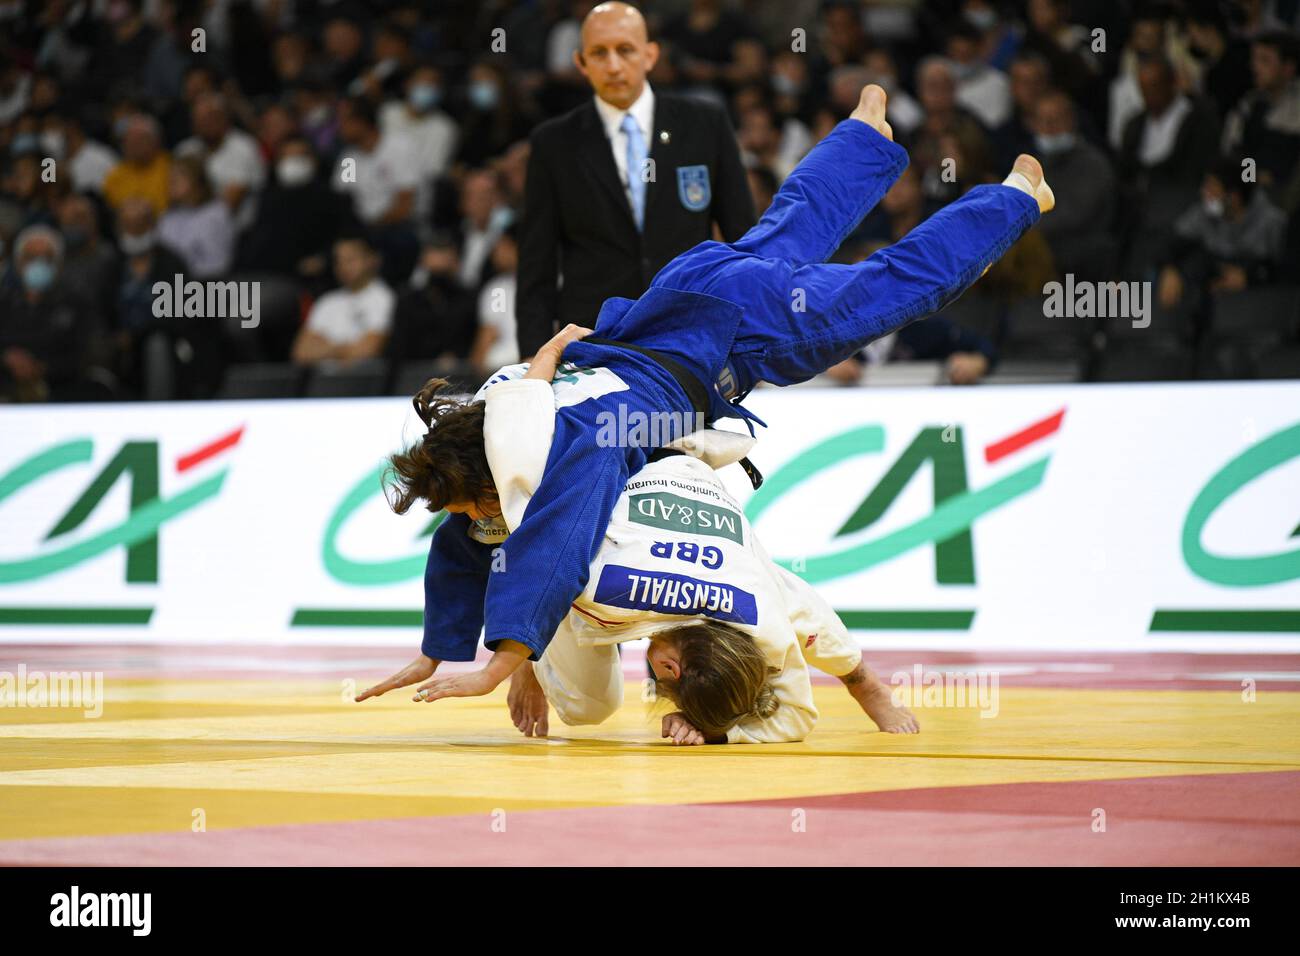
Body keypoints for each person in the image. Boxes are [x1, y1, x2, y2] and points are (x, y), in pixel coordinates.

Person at [383, 85, 1052, 712]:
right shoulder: (502, 411)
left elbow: (557, 542)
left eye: (468, 500)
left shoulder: (576, 447)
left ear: (480, 470)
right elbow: (470, 534)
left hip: (735, 336)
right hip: (687, 285)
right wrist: (435, 650)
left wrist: (502, 663)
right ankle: (863, 136)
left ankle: (1018, 194)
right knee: (785, 231)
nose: (473, 516)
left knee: (891, 288)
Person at [360, 362, 918, 743]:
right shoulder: (596, 570)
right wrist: (515, 659)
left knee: (584, 700)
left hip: (649, 447)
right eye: (668, 686)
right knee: (586, 707)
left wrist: (712, 724)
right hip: (624, 444)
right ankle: (537, 646)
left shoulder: (758, 599)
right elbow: (526, 562)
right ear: (670, 664)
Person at [515, 0, 755, 357]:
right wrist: (533, 360)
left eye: (625, 50)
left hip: (689, 336)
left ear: (650, 55)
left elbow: (742, 240)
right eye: (599, 53)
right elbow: (537, 266)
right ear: (581, 62)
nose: (613, 65)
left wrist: (752, 342)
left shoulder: (705, 124)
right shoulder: (554, 142)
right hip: (592, 342)